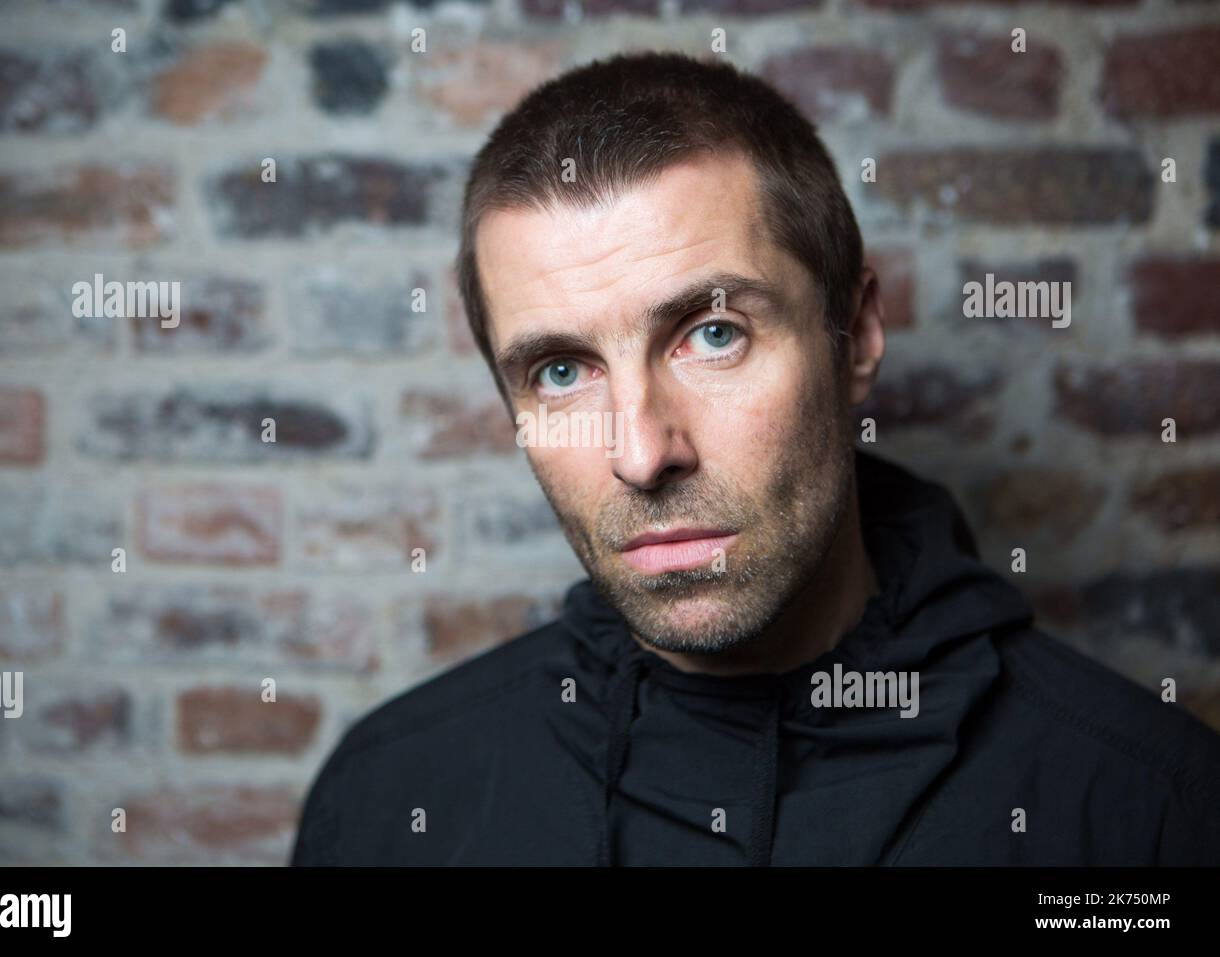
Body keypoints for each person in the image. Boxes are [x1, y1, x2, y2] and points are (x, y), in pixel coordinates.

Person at [291, 51, 1220, 866]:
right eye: (562, 369)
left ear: (853, 338)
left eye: (714, 334)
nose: (642, 453)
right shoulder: (389, 798)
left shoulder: (1151, 815)